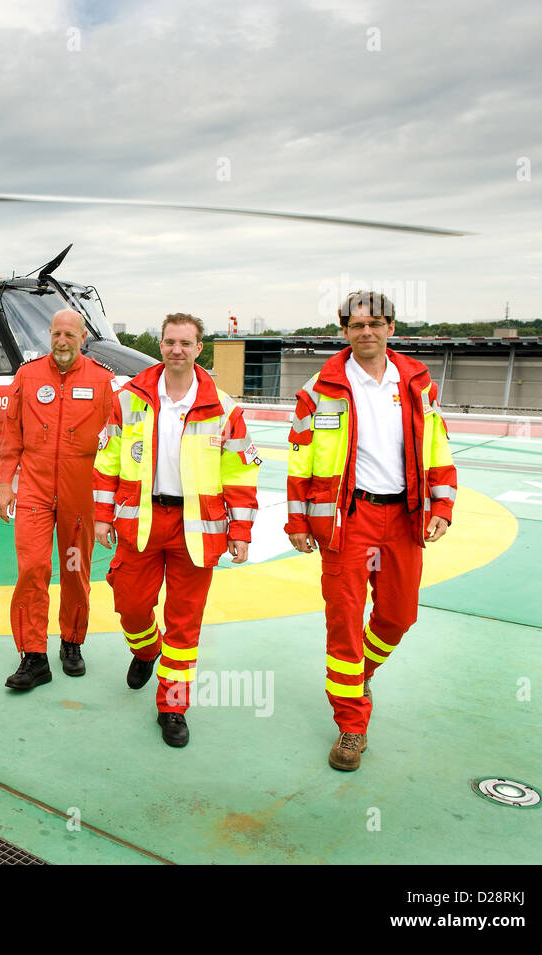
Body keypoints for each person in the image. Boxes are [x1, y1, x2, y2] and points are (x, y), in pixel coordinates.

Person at [285, 291, 456, 771]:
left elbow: (437, 446)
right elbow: (300, 460)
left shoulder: (417, 382)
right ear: (344, 332)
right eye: (357, 325)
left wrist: (442, 502)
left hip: (403, 517)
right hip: (348, 519)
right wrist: (298, 519)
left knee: (398, 617)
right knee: (344, 621)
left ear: (391, 328)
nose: (366, 332)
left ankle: (361, 673)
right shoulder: (318, 388)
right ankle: (352, 725)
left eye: (375, 324)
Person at [93, 313, 259, 747]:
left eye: (185, 343)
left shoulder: (224, 408)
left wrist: (240, 531)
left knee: (184, 624)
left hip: (196, 528)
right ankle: (146, 649)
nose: (176, 350)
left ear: (198, 348)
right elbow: (108, 460)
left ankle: (173, 707)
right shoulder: (130, 398)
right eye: (169, 342)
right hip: (140, 520)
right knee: (130, 604)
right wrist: (100, 514)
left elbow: (240, 476)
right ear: (160, 345)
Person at [0, 308, 115, 688]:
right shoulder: (27, 376)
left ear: (83, 338)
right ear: (49, 335)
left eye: (70, 335)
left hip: (80, 497)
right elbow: (11, 434)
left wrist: (108, 501)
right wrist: (3, 484)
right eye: (56, 334)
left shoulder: (102, 381)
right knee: (32, 569)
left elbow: (113, 446)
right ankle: (33, 657)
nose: (62, 341)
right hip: (34, 490)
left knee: (75, 570)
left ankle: (72, 641)